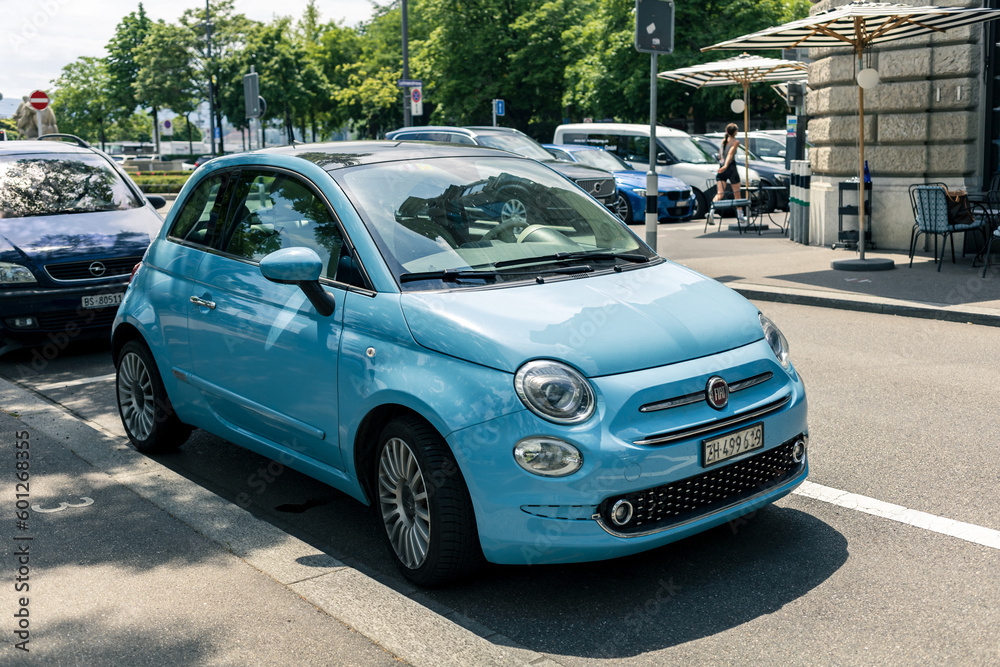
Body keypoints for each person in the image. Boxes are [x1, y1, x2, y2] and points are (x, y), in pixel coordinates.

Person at [712, 123, 744, 223]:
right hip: (730, 168)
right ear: (735, 132)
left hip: (721, 168)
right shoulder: (735, 142)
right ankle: (740, 216)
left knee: (720, 194)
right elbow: (730, 154)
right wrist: (726, 165)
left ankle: (711, 211)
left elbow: (720, 155)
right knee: (737, 193)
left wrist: (722, 165)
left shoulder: (723, 141)